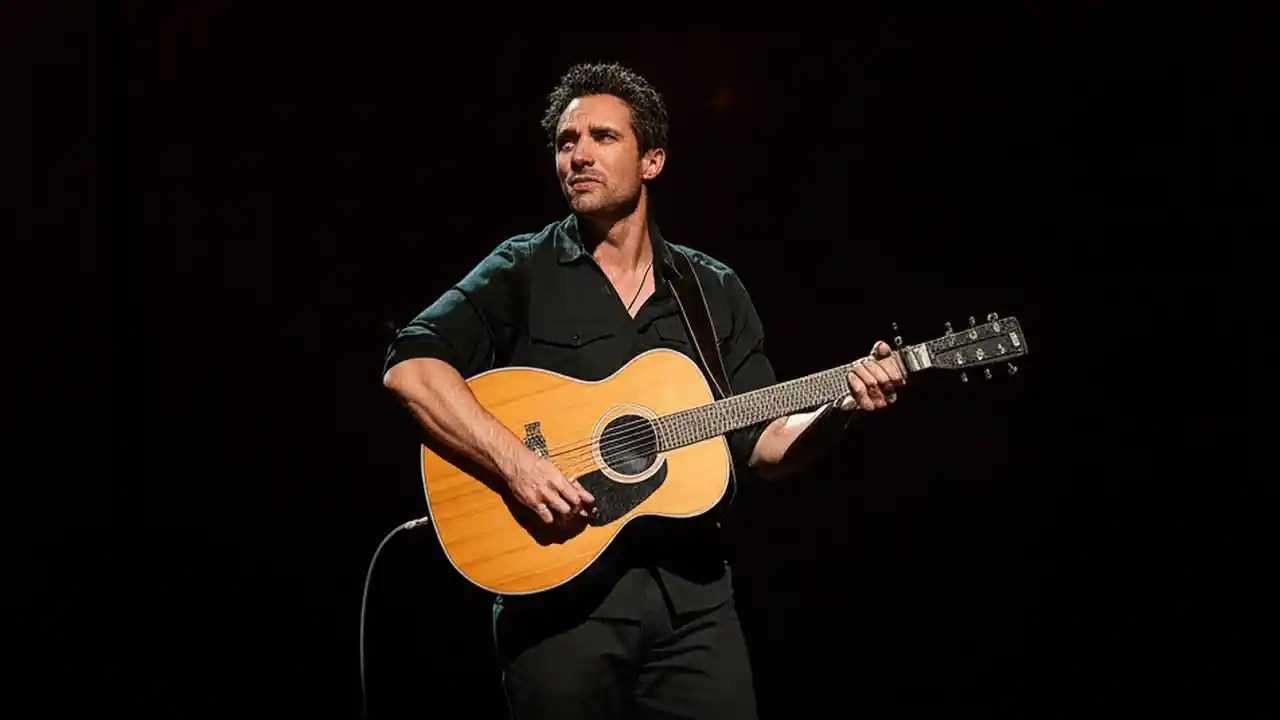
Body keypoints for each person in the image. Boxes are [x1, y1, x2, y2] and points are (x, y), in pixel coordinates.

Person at [381, 62, 905, 720]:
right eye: (566, 142)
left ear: (652, 160)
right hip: (557, 603)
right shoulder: (523, 269)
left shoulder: (710, 292)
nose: (579, 155)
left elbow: (765, 445)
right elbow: (410, 368)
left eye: (602, 137)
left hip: (695, 607)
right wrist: (518, 466)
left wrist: (841, 410)